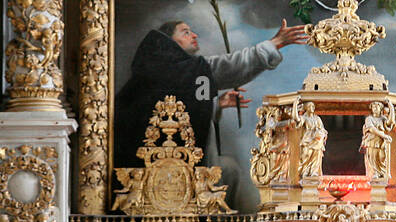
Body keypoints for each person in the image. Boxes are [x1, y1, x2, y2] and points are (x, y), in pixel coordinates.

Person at [112, 19, 309, 173]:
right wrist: (274, 43)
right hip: (167, 169)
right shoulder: (189, 69)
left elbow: (186, 106)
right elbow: (231, 66)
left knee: (229, 170)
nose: (194, 35)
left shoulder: (155, 72)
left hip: (160, 165)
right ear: (168, 42)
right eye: (186, 32)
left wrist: (215, 105)